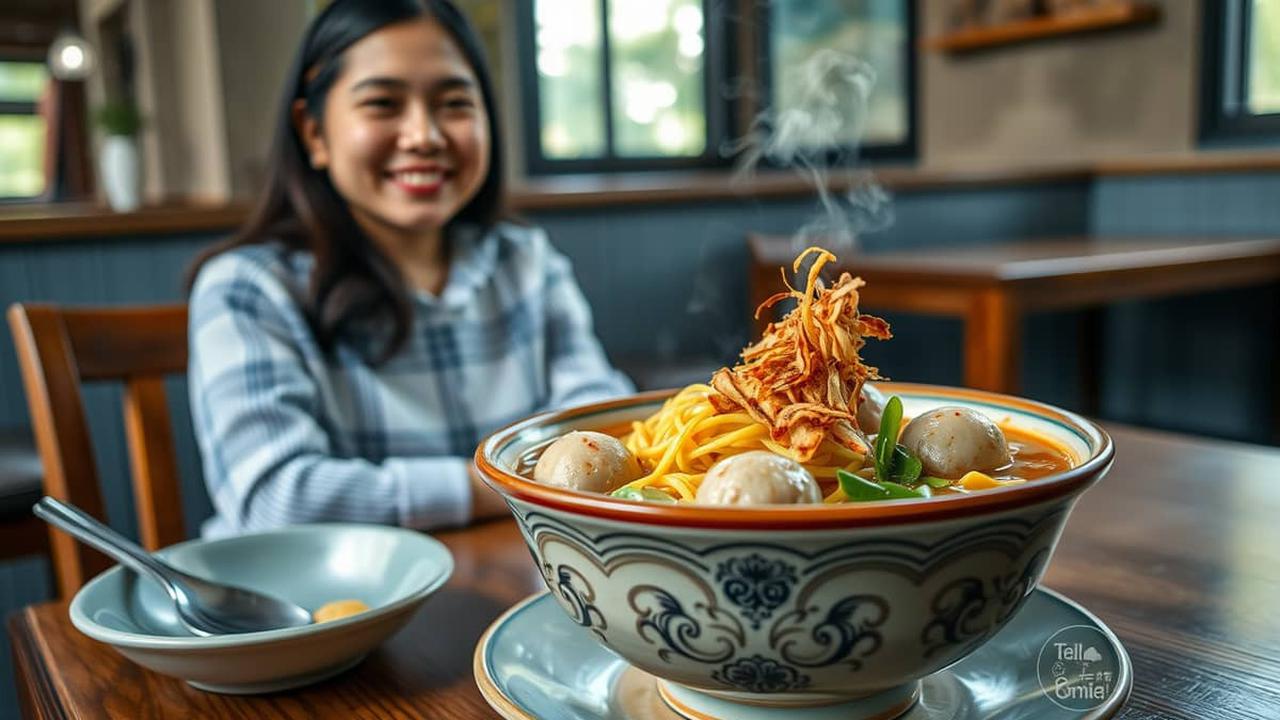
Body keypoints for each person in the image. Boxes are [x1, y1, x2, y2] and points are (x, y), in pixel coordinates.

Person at [186, 0, 632, 539]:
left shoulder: (525, 261)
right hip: (318, 613)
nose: (424, 135)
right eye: (382, 103)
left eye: (454, 103)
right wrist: (510, 482)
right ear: (313, 133)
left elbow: (603, 425)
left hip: (498, 584)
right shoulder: (248, 289)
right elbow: (279, 499)